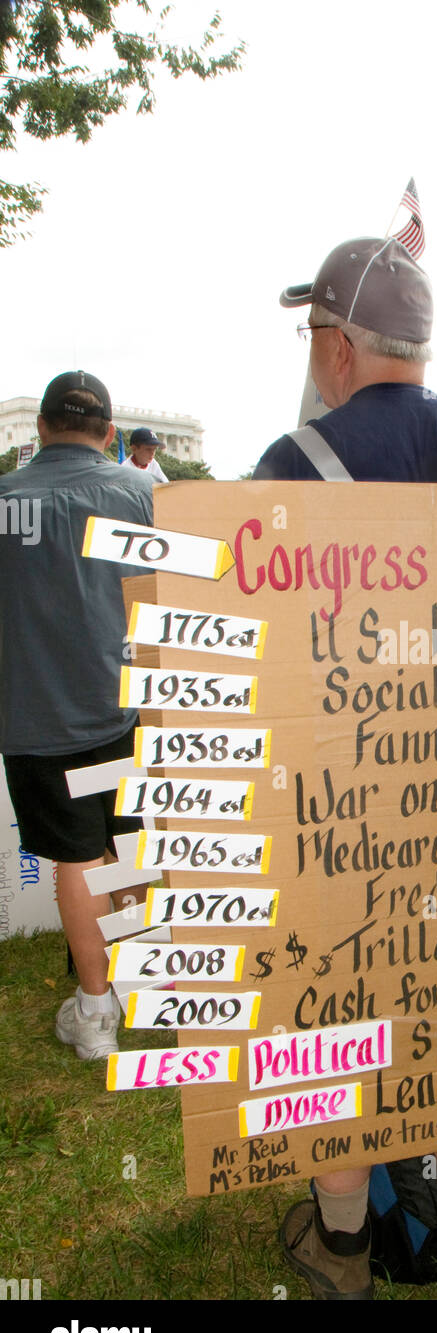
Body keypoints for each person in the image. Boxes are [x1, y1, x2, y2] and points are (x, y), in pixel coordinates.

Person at [254, 235, 437, 1300]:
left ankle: (340, 1247)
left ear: (335, 344)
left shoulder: (292, 466)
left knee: (331, 1009)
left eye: (311, 332)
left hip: (334, 809)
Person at [0, 371, 153, 1060]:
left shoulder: (5, 498)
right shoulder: (142, 492)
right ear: (110, 433)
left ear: (40, 429)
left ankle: (97, 1013)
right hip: (128, 702)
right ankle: (154, 992)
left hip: (35, 712)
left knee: (75, 857)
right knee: (126, 848)